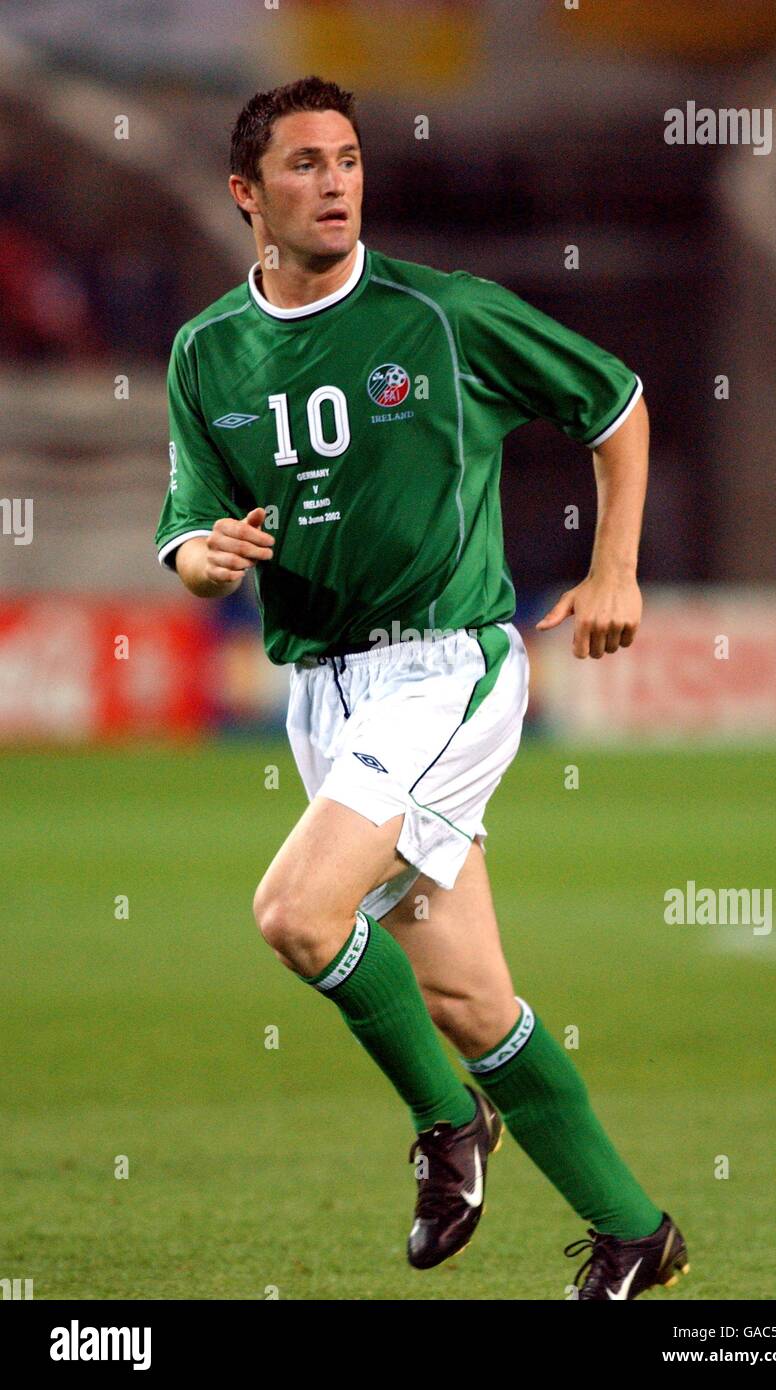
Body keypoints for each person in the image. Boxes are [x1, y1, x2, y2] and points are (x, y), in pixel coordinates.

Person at [154, 75, 689, 1300]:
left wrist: (615, 570)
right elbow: (185, 529)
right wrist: (203, 557)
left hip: (443, 662)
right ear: (247, 193)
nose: (334, 181)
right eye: (303, 164)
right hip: (322, 691)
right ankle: (632, 1232)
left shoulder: (440, 315)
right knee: (461, 993)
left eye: (347, 159)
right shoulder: (205, 351)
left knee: (297, 912)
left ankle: (449, 1129)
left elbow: (615, 403)